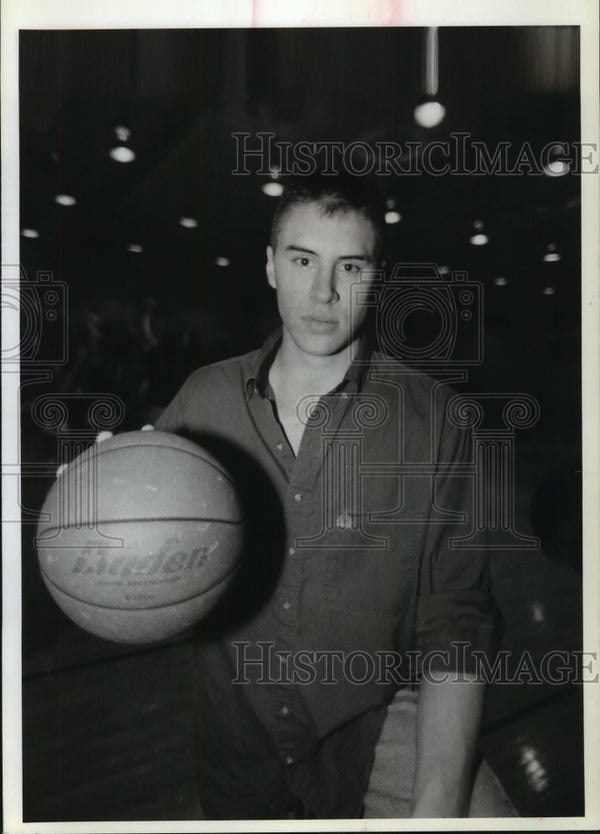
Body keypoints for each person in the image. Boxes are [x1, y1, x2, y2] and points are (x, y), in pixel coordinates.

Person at [152, 174, 513, 819]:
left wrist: (436, 808)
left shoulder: (437, 421)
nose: (324, 292)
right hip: (237, 750)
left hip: (374, 731)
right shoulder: (202, 401)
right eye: (302, 261)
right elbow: (145, 558)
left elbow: (456, 622)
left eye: (350, 265)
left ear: (377, 277)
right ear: (270, 266)